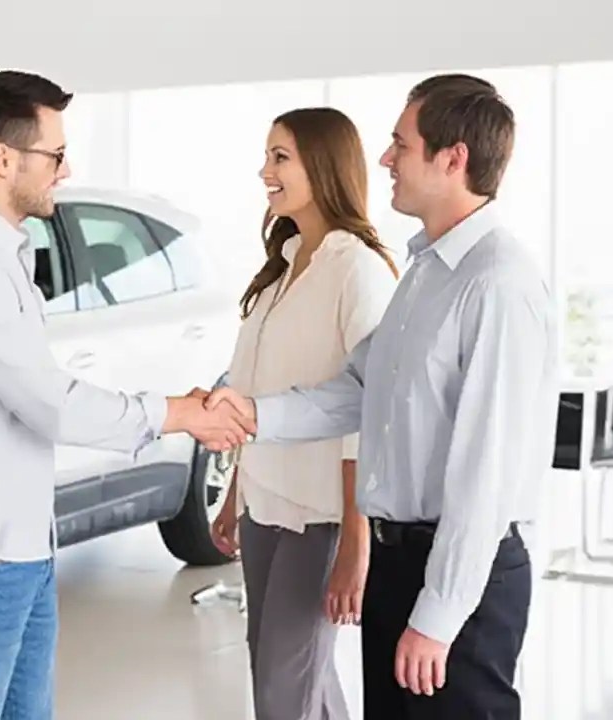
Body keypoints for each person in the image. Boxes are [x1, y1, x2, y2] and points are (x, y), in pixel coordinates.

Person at [0, 69, 253, 720]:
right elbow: (49, 402)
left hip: (19, 546)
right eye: (55, 154)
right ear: (4, 158)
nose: (66, 168)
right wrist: (179, 414)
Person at [206, 74, 559, 719]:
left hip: (457, 574)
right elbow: (358, 390)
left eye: (401, 144)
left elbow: (489, 472)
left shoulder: (496, 283)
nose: (387, 159)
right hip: (401, 564)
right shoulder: (427, 272)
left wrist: (440, 615)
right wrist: (252, 415)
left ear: (454, 159)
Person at [205, 107, 398, 720]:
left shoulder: (359, 270)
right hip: (266, 507)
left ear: (323, 163)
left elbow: (368, 410)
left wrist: (355, 542)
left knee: (283, 696)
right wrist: (236, 491)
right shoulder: (279, 271)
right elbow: (254, 392)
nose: (265, 170)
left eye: (280, 156)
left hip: (322, 517)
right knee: (292, 681)